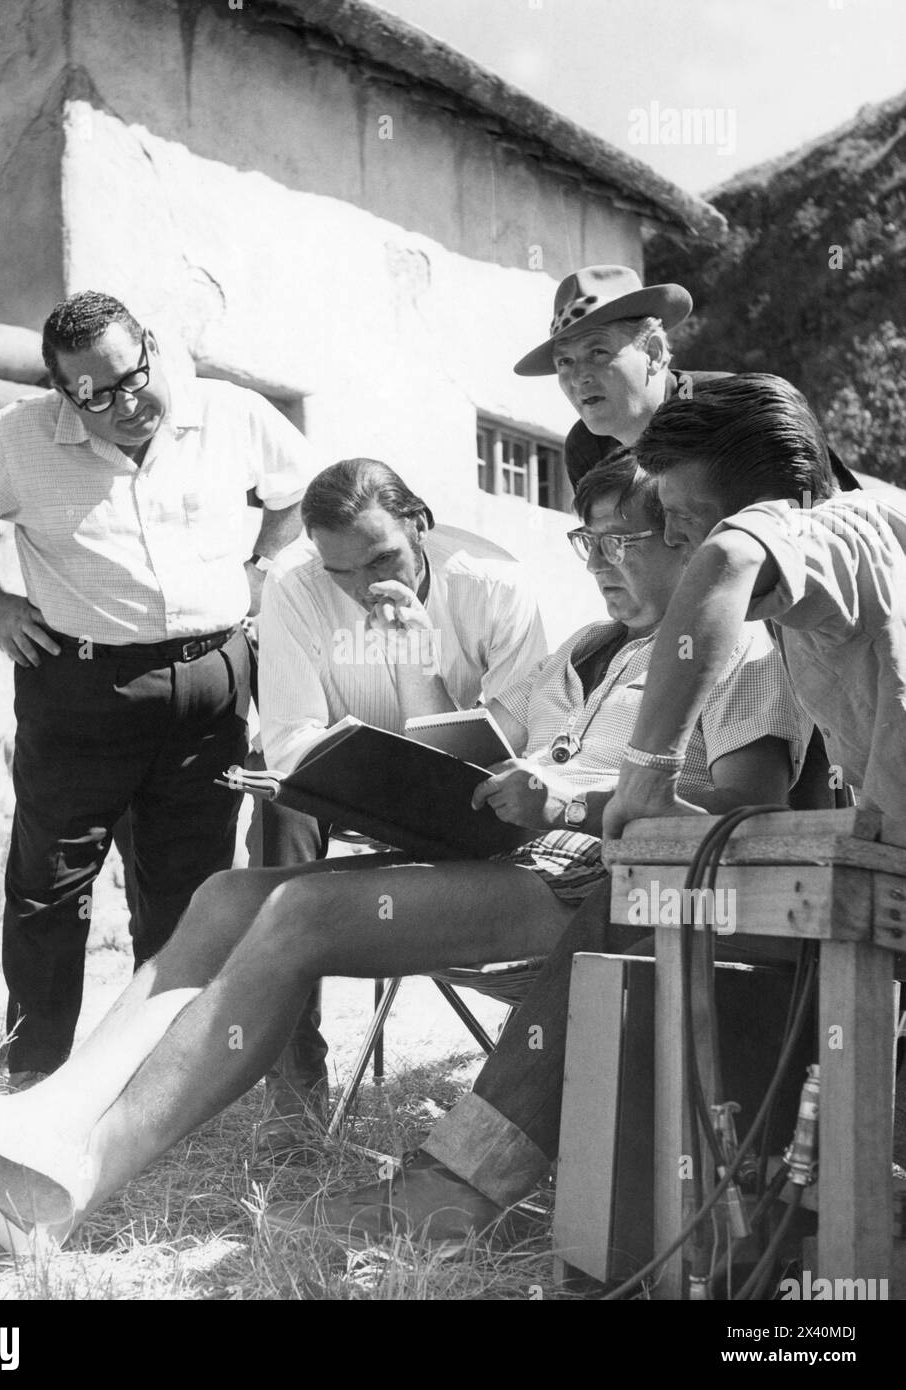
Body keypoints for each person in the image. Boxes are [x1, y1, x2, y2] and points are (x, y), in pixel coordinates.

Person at [0, 449, 812, 1249]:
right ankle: (43, 1116)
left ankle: (73, 1181)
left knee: (304, 911)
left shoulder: (747, 649)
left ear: (690, 544)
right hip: (517, 859)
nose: (602, 563)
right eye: (589, 542)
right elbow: (513, 740)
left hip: (592, 889)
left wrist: (573, 797)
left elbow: (747, 815)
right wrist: (484, 779)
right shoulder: (602, 647)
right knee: (231, 894)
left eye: (624, 543)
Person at [0, 291, 316, 1084]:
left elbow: (295, 487)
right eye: (90, 395)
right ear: (62, 391)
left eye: (130, 379)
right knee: (52, 884)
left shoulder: (231, 414)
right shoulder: (17, 441)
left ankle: (162, 1070)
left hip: (211, 680)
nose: (120, 405)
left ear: (151, 349)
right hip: (82, 691)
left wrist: (260, 566)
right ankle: (36, 1069)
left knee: (188, 885)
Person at [249, 458, 548, 1156]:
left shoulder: (493, 584)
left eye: (382, 558)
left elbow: (520, 737)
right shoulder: (295, 587)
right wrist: (363, 771)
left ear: (419, 522)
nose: (364, 587)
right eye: (341, 572)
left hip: (471, 794)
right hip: (345, 786)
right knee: (277, 811)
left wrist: (418, 664)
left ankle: (519, 1092)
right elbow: (289, 738)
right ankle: (292, 1097)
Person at [602, 372, 906, 837]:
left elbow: (727, 557)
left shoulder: (833, 529)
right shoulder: (873, 533)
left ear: (765, 507)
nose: (670, 536)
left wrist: (644, 778)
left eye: (684, 516)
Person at [513, 263, 859, 492]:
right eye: (565, 362)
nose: (578, 377)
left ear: (653, 353)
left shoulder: (736, 413)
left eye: (598, 353)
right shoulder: (587, 450)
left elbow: (831, 520)